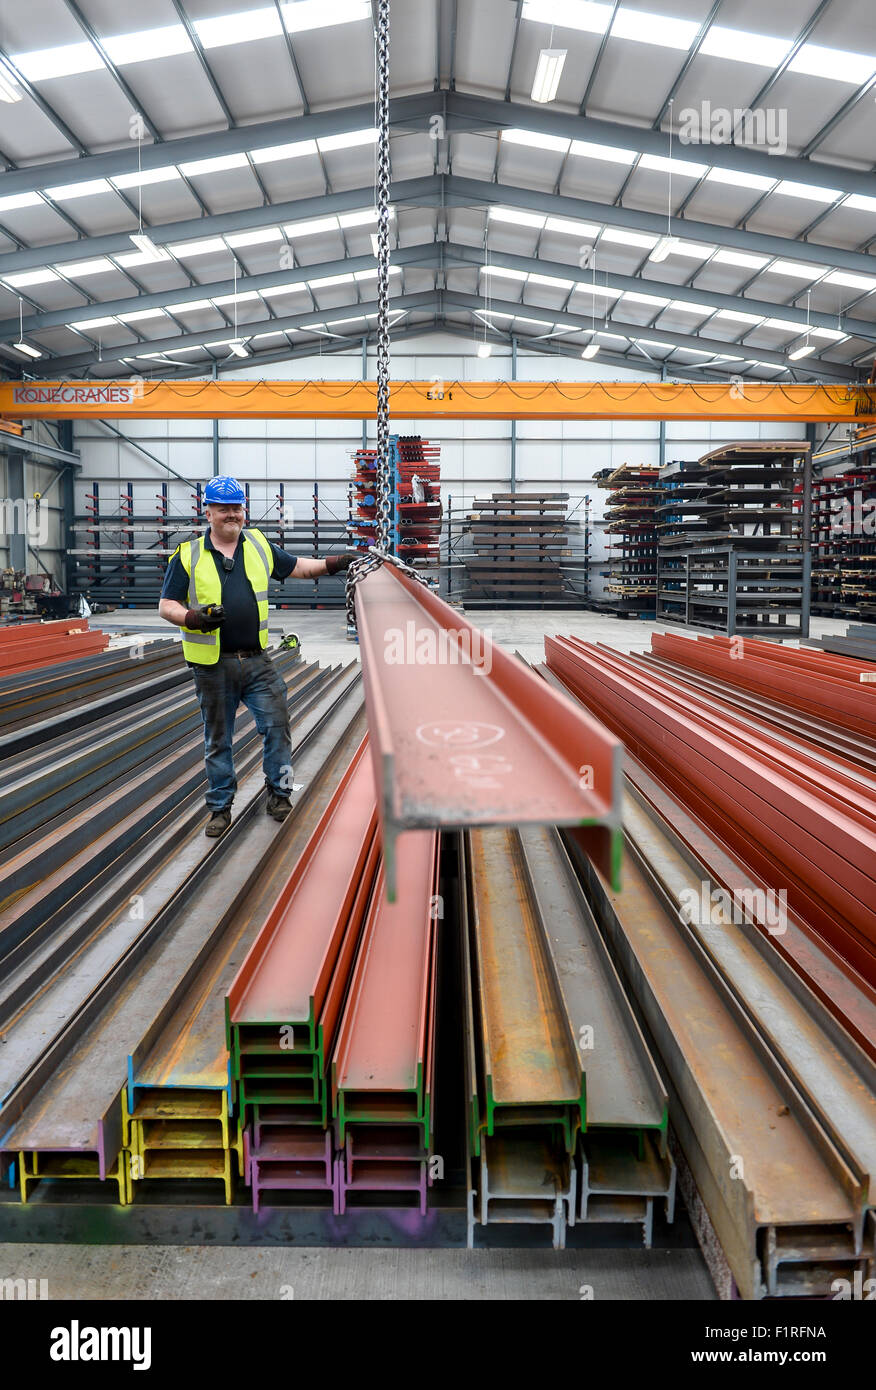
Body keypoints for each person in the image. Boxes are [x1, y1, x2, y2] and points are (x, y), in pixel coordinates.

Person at [158, 475, 353, 838]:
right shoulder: (188, 555)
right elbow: (166, 604)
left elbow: (296, 567)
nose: (231, 515)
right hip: (213, 665)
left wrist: (335, 562)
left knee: (277, 727)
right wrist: (193, 618)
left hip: (258, 661)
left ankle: (279, 794)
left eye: (237, 508)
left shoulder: (259, 544)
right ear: (208, 511)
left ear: (243, 510)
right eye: (223, 509)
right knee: (218, 738)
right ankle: (219, 807)